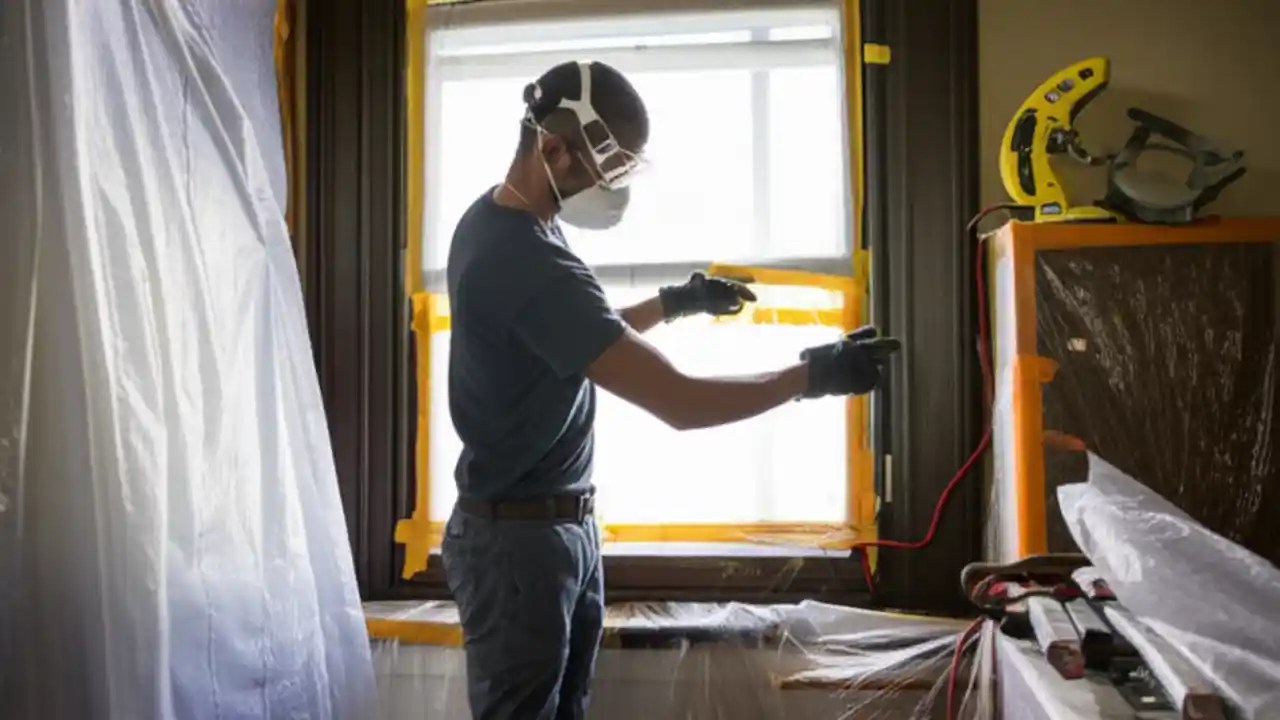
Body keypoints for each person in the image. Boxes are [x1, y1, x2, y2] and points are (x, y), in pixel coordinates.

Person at [441, 60, 900, 720]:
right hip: (519, 548)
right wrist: (813, 375)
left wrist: (674, 303)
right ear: (551, 149)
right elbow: (679, 403)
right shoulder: (523, 257)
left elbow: (577, 342)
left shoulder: (510, 219)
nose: (614, 187)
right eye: (610, 170)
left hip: (550, 528)